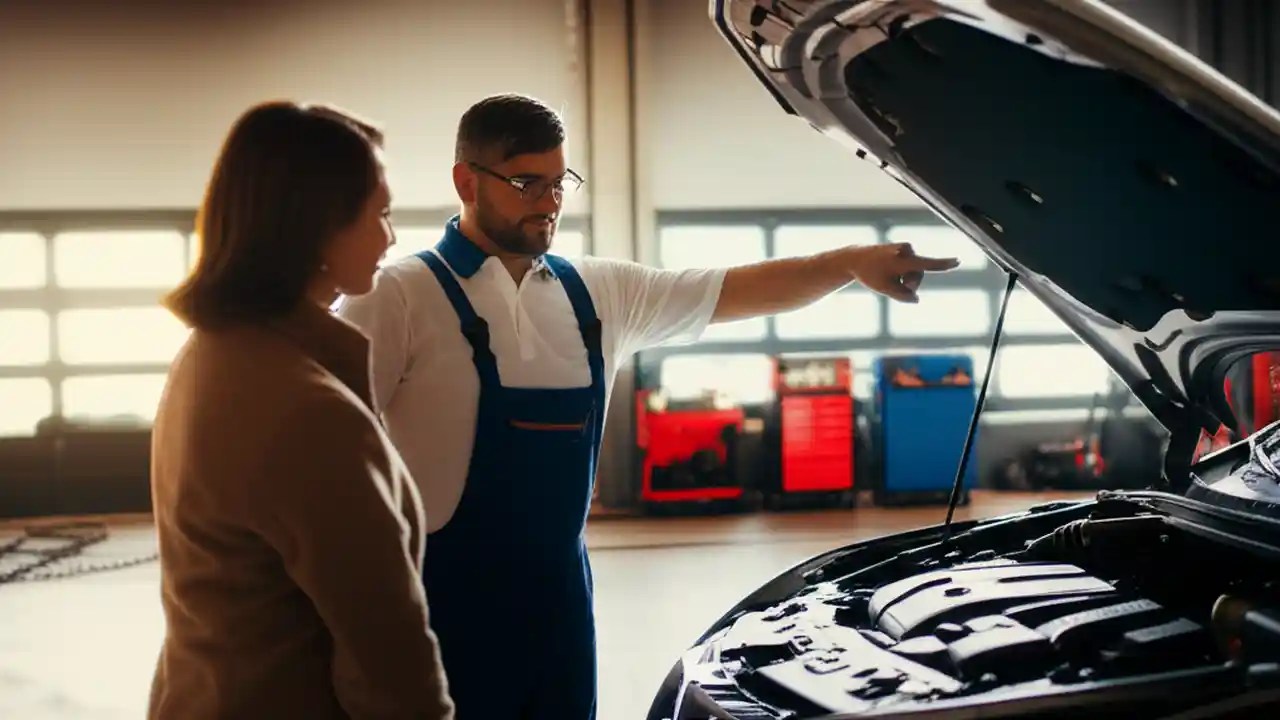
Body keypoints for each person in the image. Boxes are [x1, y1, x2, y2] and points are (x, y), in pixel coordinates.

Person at [335, 93, 957, 719]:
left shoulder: (598, 292)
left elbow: (733, 290)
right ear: (466, 181)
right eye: (527, 183)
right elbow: (325, 459)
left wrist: (850, 263)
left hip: (560, 610)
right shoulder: (398, 297)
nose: (549, 203)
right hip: (440, 610)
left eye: (560, 183)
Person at [149, 101, 454, 719]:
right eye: (381, 214)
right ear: (316, 226)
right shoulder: (306, 413)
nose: (389, 238)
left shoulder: (209, 355)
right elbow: (389, 663)